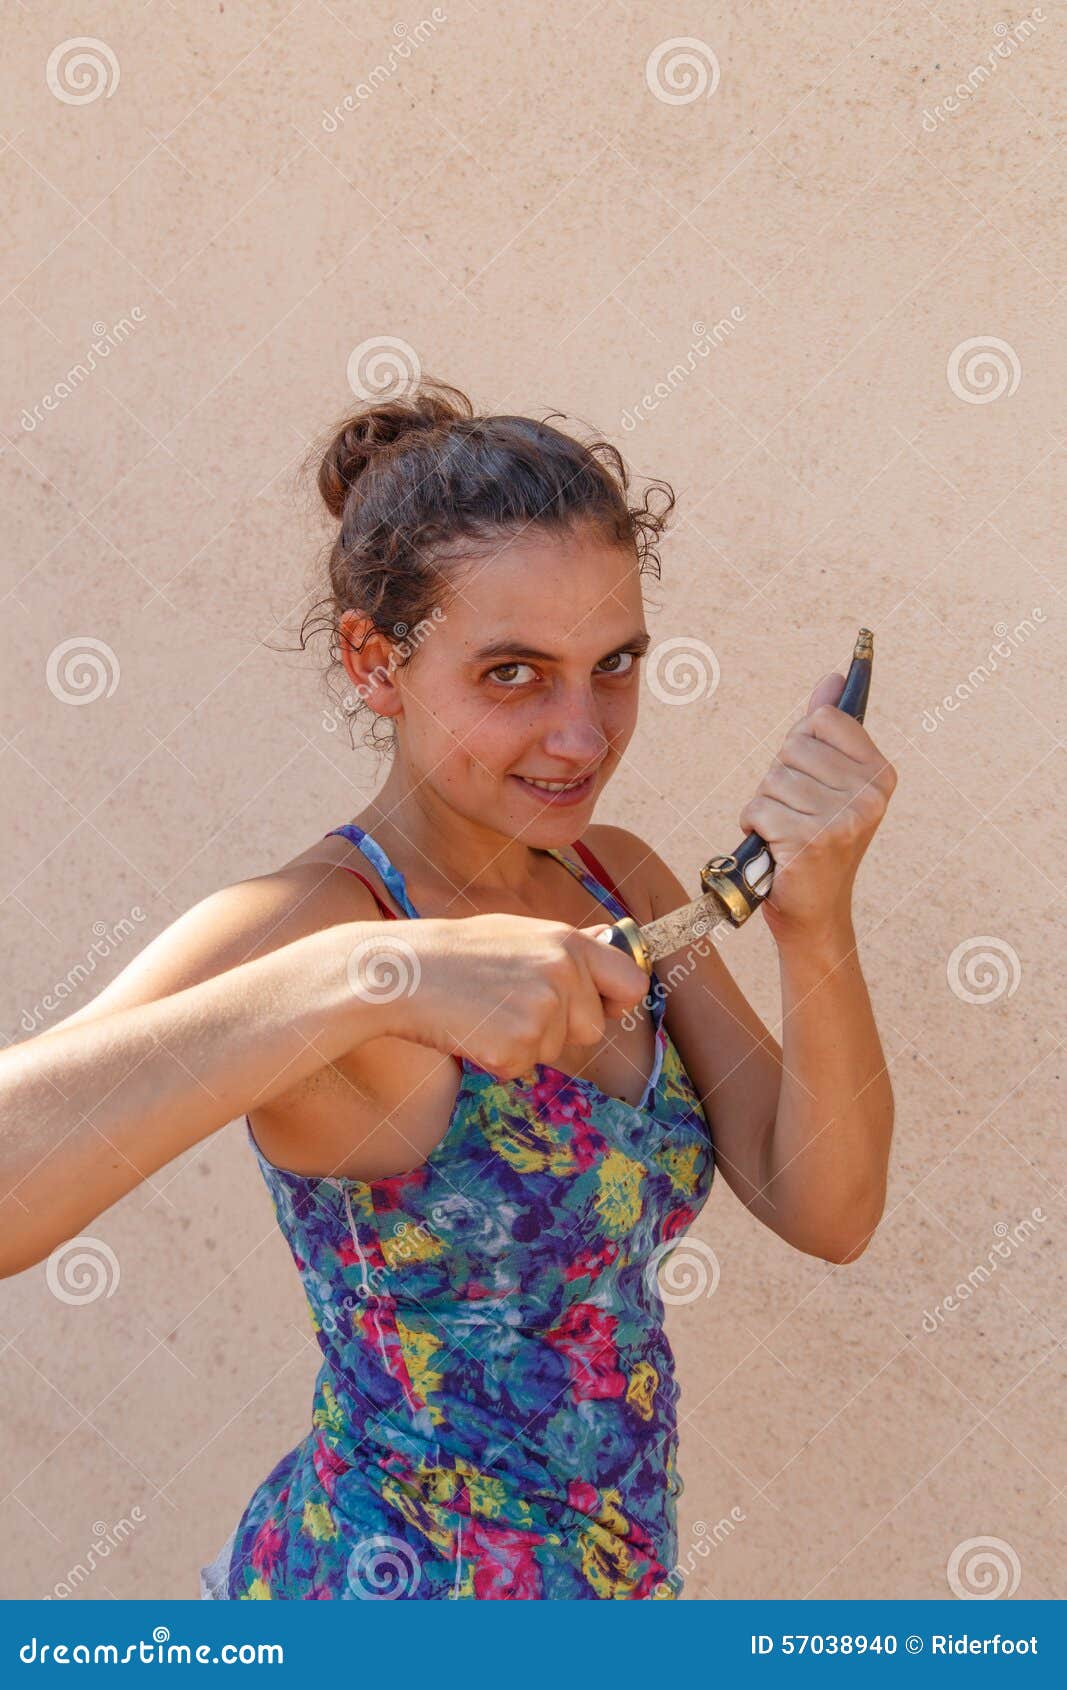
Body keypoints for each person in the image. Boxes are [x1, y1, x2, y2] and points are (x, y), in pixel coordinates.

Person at [0, 379, 897, 1600]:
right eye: (513, 673)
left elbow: (827, 1207)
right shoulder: (322, 921)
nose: (581, 735)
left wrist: (812, 912)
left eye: (613, 664)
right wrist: (373, 979)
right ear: (376, 663)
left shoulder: (615, 876)